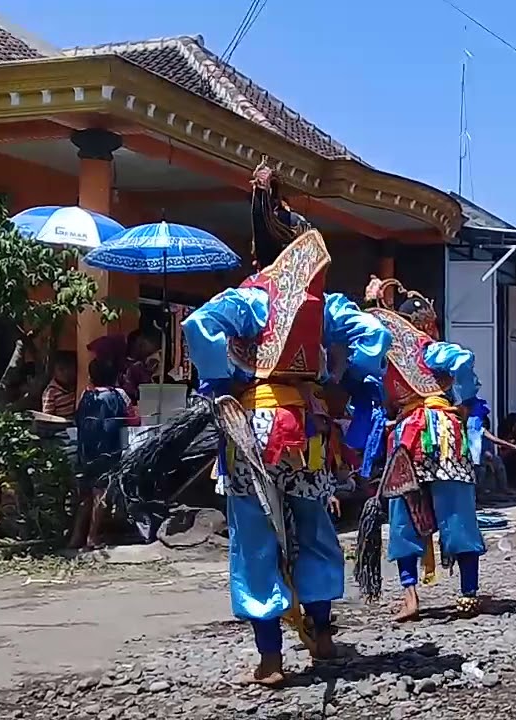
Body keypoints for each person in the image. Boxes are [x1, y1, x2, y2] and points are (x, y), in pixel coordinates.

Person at [116, 162, 390, 686]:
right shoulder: (322, 303)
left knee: (255, 536)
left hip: (254, 430)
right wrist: (347, 377)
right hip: (307, 429)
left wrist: (223, 378)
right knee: (313, 528)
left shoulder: (250, 298)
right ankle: (324, 636)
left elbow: (198, 325)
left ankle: (270, 659)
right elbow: (373, 337)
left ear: (259, 253)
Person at [351, 277, 487, 622]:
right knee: (456, 508)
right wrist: (467, 401)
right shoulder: (428, 349)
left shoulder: (385, 360)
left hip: (407, 433)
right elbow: (462, 360)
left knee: (403, 511)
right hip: (442, 431)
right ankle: (468, 594)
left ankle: (410, 595)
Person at [70, 357, 137, 549]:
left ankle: (75, 538)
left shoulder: (86, 395)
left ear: (91, 376)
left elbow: (78, 419)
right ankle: (92, 536)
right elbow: (134, 420)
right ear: (117, 376)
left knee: (85, 495)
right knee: (101, 494)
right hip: (108, 451)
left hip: (85, 451)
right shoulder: (119, 395)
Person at [41, 351, 78, 419]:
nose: (66, 373)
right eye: (61, 369)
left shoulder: (76, 386)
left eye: (69, 368)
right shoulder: (51, 392)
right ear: (53, 372)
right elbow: (48, 417)